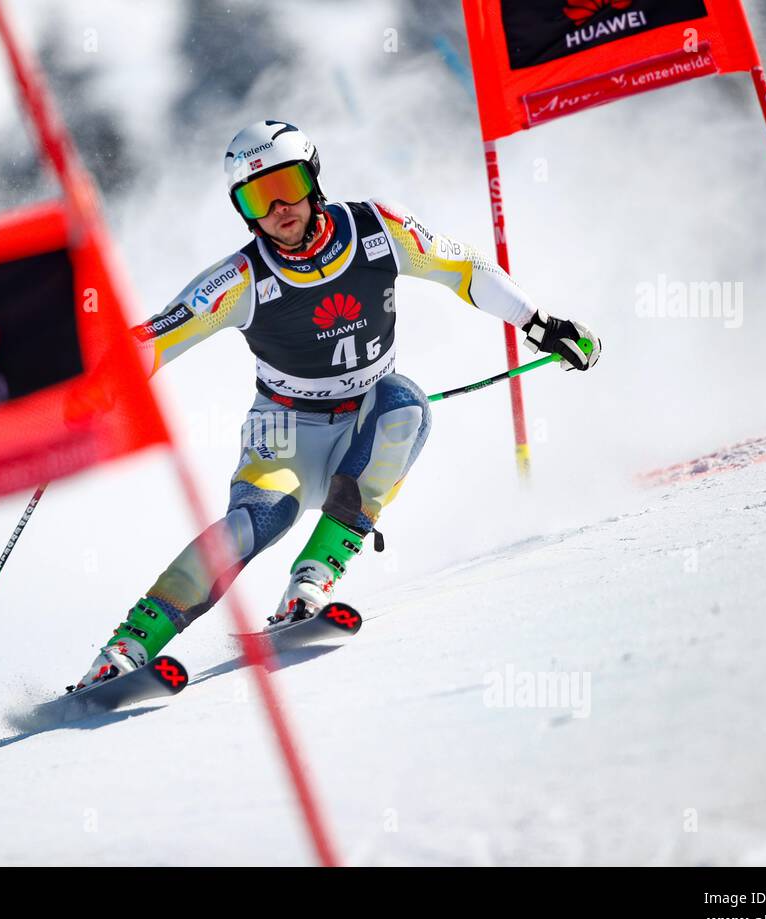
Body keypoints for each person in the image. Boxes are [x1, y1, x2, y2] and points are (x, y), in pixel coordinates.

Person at [69, 119, 601, 691]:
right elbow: (158, 337)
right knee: (255, 523)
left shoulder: (378, 228)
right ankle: (125, 648)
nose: (279, 208)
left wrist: (538, 323)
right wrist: (94, 385)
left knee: (405, 403)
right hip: (286, 432)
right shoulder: (242, 278)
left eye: (288, 185)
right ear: (242, 209)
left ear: (313, 178)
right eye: (257, 197)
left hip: (363, 426)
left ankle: (311, 583)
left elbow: (464, 268)